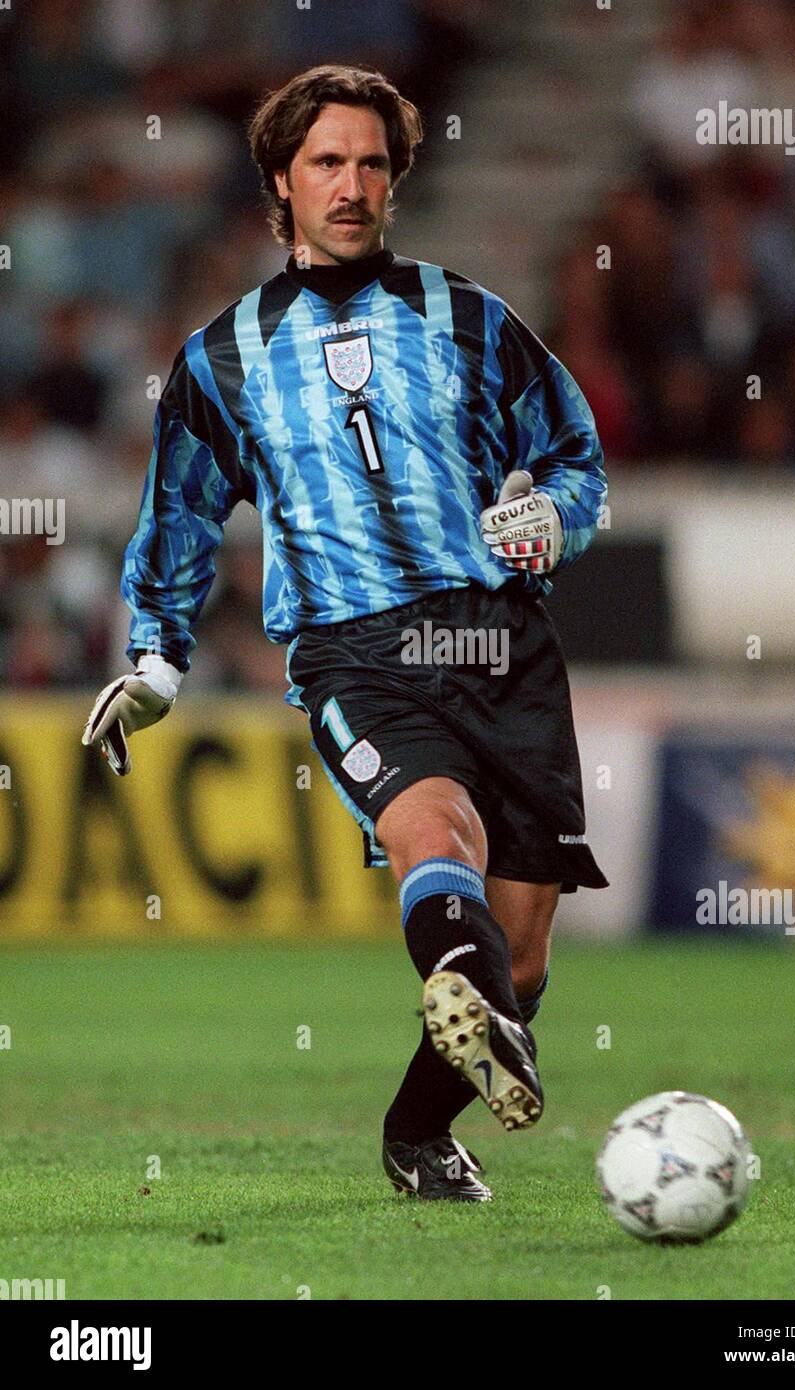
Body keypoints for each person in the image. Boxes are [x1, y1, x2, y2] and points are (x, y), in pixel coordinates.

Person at [82, 64, 609, 1202]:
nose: (353, 184)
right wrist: (157, 656)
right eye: (327, 161)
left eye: (373, 162)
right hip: (354, 649)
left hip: (500, 644)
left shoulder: (469, 317)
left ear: (396, 179)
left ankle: (423, 1126)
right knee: (438, 831)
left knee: (520, 957)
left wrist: (549, 519)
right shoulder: (221, 358)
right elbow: (177, 509)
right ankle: (467, 991)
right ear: (281, 178)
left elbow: (576, 457)